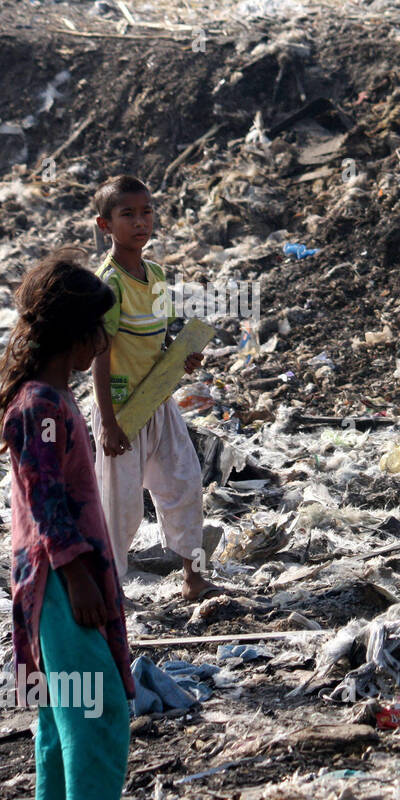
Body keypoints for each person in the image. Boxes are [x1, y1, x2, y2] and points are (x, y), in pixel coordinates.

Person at [1, 249, 133, 800]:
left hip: (49, 575)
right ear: (74, 334)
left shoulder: (45, 401)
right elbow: (44, 492)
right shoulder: (42, 409)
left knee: (61, 706)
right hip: (60, 577)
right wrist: (78, 574)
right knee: (94, 701)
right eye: (98, 331)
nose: (103, 344)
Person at [90, 175, 220, 600]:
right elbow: (100, 354)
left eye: (146, 212)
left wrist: (181, 357)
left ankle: (193, 576)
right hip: (123, 409)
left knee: (184, 483)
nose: (140, 222)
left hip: (159, 401)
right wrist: (108, 423)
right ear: (104, 225)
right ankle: (110, 588)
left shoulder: (157, 274)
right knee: (121, 506)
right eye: (127, 214)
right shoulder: (108, 283)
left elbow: (160, 338)